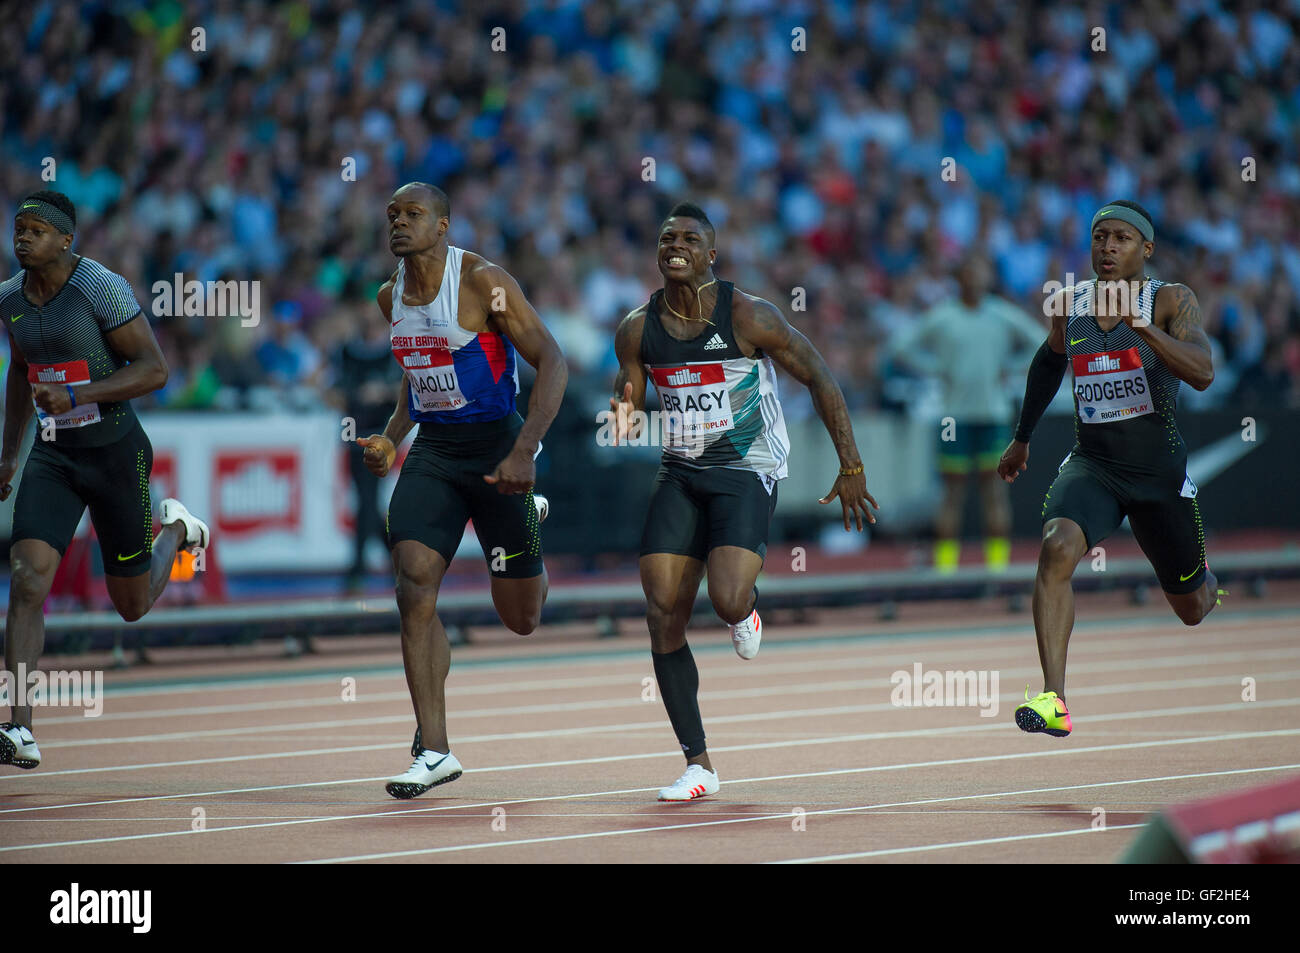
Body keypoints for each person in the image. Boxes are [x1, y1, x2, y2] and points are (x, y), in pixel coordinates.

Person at [610, 202, 879, 801]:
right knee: (661, 612)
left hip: (745, 468)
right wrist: (623, 412)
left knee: (726, 598)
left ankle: (746, 611)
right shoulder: (635, 326)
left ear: (712, 255)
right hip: (680, 471)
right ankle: (698, 763)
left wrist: (851, 465)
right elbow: (627, 389)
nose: (674, 245)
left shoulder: (748, 315)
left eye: (688, 238)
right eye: (665, 236)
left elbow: (820, 376)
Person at [358, 183, 567, 799]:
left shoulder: (481, 281)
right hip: (437, 453)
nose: (399, 222)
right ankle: (435, 748)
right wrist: (393, 440)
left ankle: (529, 514)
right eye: (392, 214)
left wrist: (525, 451)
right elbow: (415, 376)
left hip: (497, 450)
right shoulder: (387, 294)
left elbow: (551, 358)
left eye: (413, 214)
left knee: (521, 618)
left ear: (444, 224)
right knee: (413, 583)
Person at [0, 191, 209, 769]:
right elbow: (20, 370)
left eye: (37, 231)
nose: (23, 239)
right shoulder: (10, 299)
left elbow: (155, 370)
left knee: (132, 606)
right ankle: (19, 726)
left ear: (66, 240)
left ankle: (177, 531)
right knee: (26, 579)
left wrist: (77, 393)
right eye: (19, 229)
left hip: (116, 453)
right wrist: (8, 454)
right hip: (54, 455)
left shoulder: (100, 287)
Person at [998, 200, 1221, 738]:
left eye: (1122, 238)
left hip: (1158, 474)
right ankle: (1054, 698)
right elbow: (1049, 362)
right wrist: (1022, 438)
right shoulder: (1070, 303)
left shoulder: (1170, 300)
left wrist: (1142, 329)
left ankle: (1212, 582)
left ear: (1146, 249)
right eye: (1100, 237)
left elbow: (1204, 373)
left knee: (1191, 607)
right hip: (1094, 464)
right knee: (1055, 547)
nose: (1108, 248)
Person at [884, 254, 1043, 572]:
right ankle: (946, 569)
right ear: (959, 279)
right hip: (953, 416)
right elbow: (901, 345)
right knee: (951, 494)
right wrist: (935, 368)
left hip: (992, 413)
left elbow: (1039, 341)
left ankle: (998, 567)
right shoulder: (943, 316)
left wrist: (1010, 368)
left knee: (994, 492)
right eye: (968, 272)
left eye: (979, 272)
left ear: (987, 278)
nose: (974, 279)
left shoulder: (1001, 314)